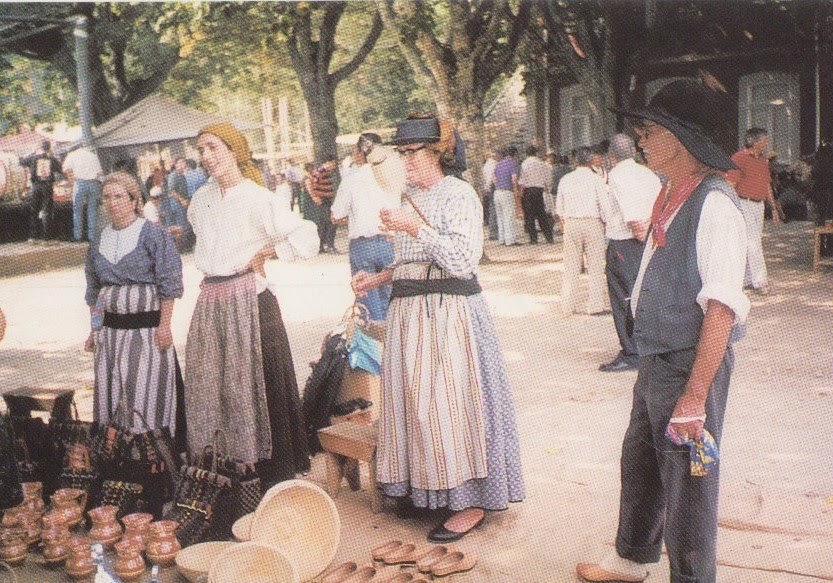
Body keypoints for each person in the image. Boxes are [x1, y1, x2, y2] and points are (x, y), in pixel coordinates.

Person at [577, 79, 749, 583]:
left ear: (680, 138)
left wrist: (695, 397)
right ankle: (633, 560)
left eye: (650, 131)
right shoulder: (673, 191)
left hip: (689, 361)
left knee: (689, 483)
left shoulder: (714, 204)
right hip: (658, 357)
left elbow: (721, 310)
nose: (642, 140)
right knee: (642, 463)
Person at [351, 114, 525, 543]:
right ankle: (429, 489)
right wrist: (378, 278)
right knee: (416, 404)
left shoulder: (458, 194)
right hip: (409, 311)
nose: (407, 161)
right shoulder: (407, 194)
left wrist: (417, 227)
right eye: (403, 152)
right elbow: (413, 259)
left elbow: (462, 260)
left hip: (450, 313)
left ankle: (470, 501)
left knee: (451, 405)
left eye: (416, 152)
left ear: (439, 153)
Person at [186, 123, 319, 485]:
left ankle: (268, 478)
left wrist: (267, 250)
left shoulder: (258, 197)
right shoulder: (201, 199)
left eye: (214, 147)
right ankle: (224, 477)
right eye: (202, 150)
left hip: (251, 303)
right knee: (214, 386)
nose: (207, 157)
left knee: (258, 387)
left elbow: (307, 235)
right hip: (212, 303)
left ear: (235, 150)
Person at [83, 172, 185, 444]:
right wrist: (94, 331)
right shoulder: (98, 241)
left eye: (119, 196)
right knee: (111, 393)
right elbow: (94, 292)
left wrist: (165, 326)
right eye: (107, 197)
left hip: (146, 333)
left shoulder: (152, 234)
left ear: (134, 199)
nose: (112, 203)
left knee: (143, 393)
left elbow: (169, 282)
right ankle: (115, 455)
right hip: (111, 335)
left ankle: (151, 456)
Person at [599, 134, 662, 372]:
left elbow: (634, 218)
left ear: (611, 156)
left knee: (624, 299)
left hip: (627, 243)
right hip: (650, 240)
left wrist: (640, 235)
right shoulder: (648, 173)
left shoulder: (617, 176)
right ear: (634, 151)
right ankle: (649, 346)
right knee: (645, 295)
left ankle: (632, 351)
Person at [331, 133, 403, 321]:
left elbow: (335, 216)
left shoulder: (351, 180)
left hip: (363, 245)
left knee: (368, 303)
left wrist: (355, 218)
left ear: (358, 153)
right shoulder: (393, 176)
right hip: (390, 240)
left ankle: (374, 344)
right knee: (393, 301)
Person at [725, 128, 780, 295]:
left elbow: (767, 185)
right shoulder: (739, 158)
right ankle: (760, 281)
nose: (766, 143)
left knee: (753, 241)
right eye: (764, 140)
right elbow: (730, 183)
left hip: (759, 205)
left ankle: (746, 280)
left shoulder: (763, 161)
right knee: (753, 242)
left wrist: (774, 208)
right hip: (743, 203)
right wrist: (728, 206)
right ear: (754, 141)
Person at [555, 146, 609, 316]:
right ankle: (595, 306)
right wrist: (606, 223)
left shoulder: (566, 179)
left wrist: (565, 222)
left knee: (571, 265)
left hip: (571, 223)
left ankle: (567, 306)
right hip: (592, 223)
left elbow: (559, 207)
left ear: (575, 161)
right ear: (591, 161)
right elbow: (605, 206)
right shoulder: (596, 179)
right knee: (595, 266)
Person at [21, 140, 61, 242]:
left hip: (35, 186)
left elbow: (21, 162)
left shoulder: (33, 158)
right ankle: (46, 238)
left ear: (40, 147)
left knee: (34, 210)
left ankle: (33, 236)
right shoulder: (52, 159)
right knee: (47, 211)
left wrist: (33, 152)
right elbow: (60, 169)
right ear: (49, 148)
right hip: (47, 186)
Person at [62, 145, 104, 243]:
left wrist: (71, 182)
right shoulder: (93, 155)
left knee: (77, 210)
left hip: (80, 183)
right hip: (94, 183)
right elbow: (99, 173)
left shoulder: (72, 155)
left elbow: (66, 169)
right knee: (92, 210)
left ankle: (78, 236)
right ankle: (92, 237)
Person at [518, 145, 554, 244]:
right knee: (541, 214)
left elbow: (521, 181)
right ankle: (549, 237)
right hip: (539, 191)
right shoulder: (542, 163)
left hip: (528, 191)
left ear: (526, 153)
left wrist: (521, 194)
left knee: (529, 216)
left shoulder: (524, 164)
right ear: (536, 153)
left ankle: (533, 239)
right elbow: (548, 178)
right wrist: (547, 187)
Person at [492, 146, 521, 246]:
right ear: (515, 154)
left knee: (500, 216)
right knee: (509, 216)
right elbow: (514, 179)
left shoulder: (498, 164)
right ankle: (510, 240)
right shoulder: (513, 164)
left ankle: (502, 239)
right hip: (507, 192)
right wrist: (516, 190)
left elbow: (494, 179)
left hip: (497, 192)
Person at [310, 159, 340, 253]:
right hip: (323, 200)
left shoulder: (328, 172)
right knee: (329, 222)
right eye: (332, 164)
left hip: (328, 200)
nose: (333, 166)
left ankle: (322, 246)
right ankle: (328, 245)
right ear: (327, 162)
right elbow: (312, 184)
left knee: (326, 223)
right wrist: (315, 196)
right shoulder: (319, 172)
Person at [481, 150, 499, 240]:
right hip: (494, 186)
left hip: (488, 187)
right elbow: (492, 177)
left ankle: (493, 232)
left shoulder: (485, 166)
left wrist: (486, 188)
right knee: (494, 210)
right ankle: (494, 233)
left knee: (491, 209)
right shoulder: (494, 164)